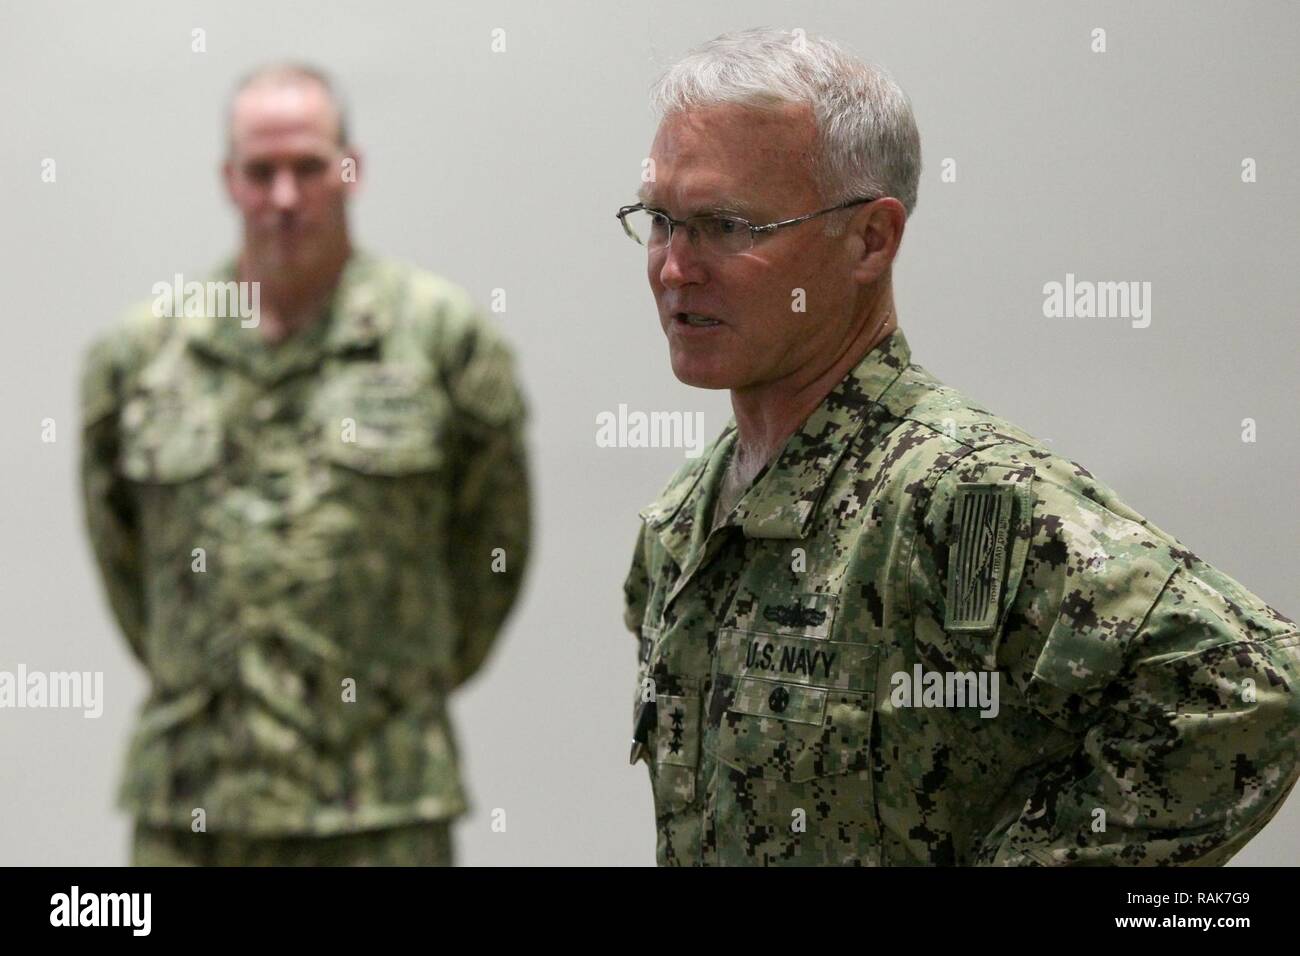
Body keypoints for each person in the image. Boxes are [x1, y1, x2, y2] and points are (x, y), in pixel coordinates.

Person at [618, 28, 1300, 866]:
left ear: (871, 239)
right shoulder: (684, 525)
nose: (675, 269)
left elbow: (1245, 685)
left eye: (726, 226)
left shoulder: (961, 492)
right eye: (661, 221)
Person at [80, 63, 530, 866]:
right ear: (229, 180)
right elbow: (123, 562)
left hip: (383, 800)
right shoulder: (141, 354)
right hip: (194, 802)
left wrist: (393, 684)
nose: (284, 196)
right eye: (261, 171)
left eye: (309, 167)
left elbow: (494, 547)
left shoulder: (440, 339)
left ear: (350, 170)